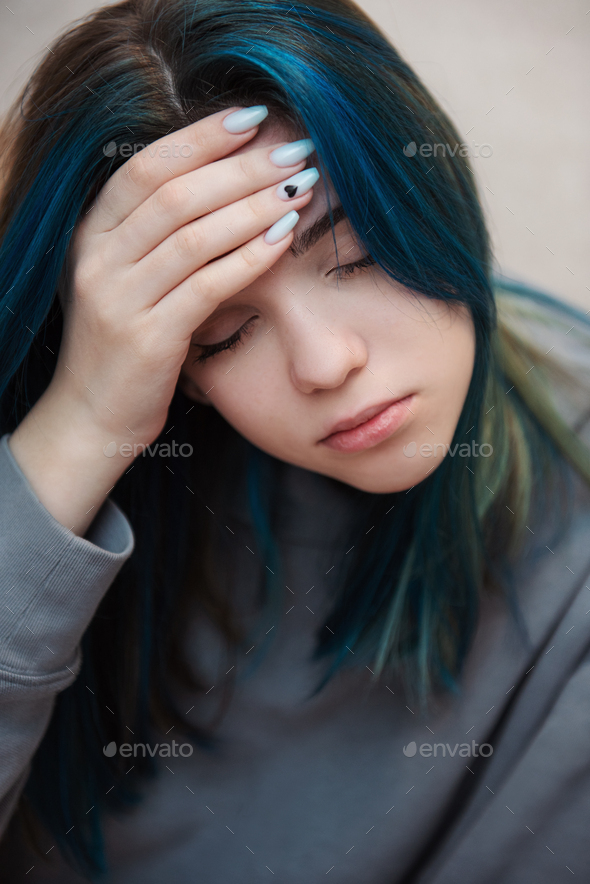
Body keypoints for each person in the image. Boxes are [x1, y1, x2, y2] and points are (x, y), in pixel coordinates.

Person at [0, 0, 589, 881]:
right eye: (223, 334)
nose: (324, 362)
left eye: (352, 256)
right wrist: (81, 426)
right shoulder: (121, 461)